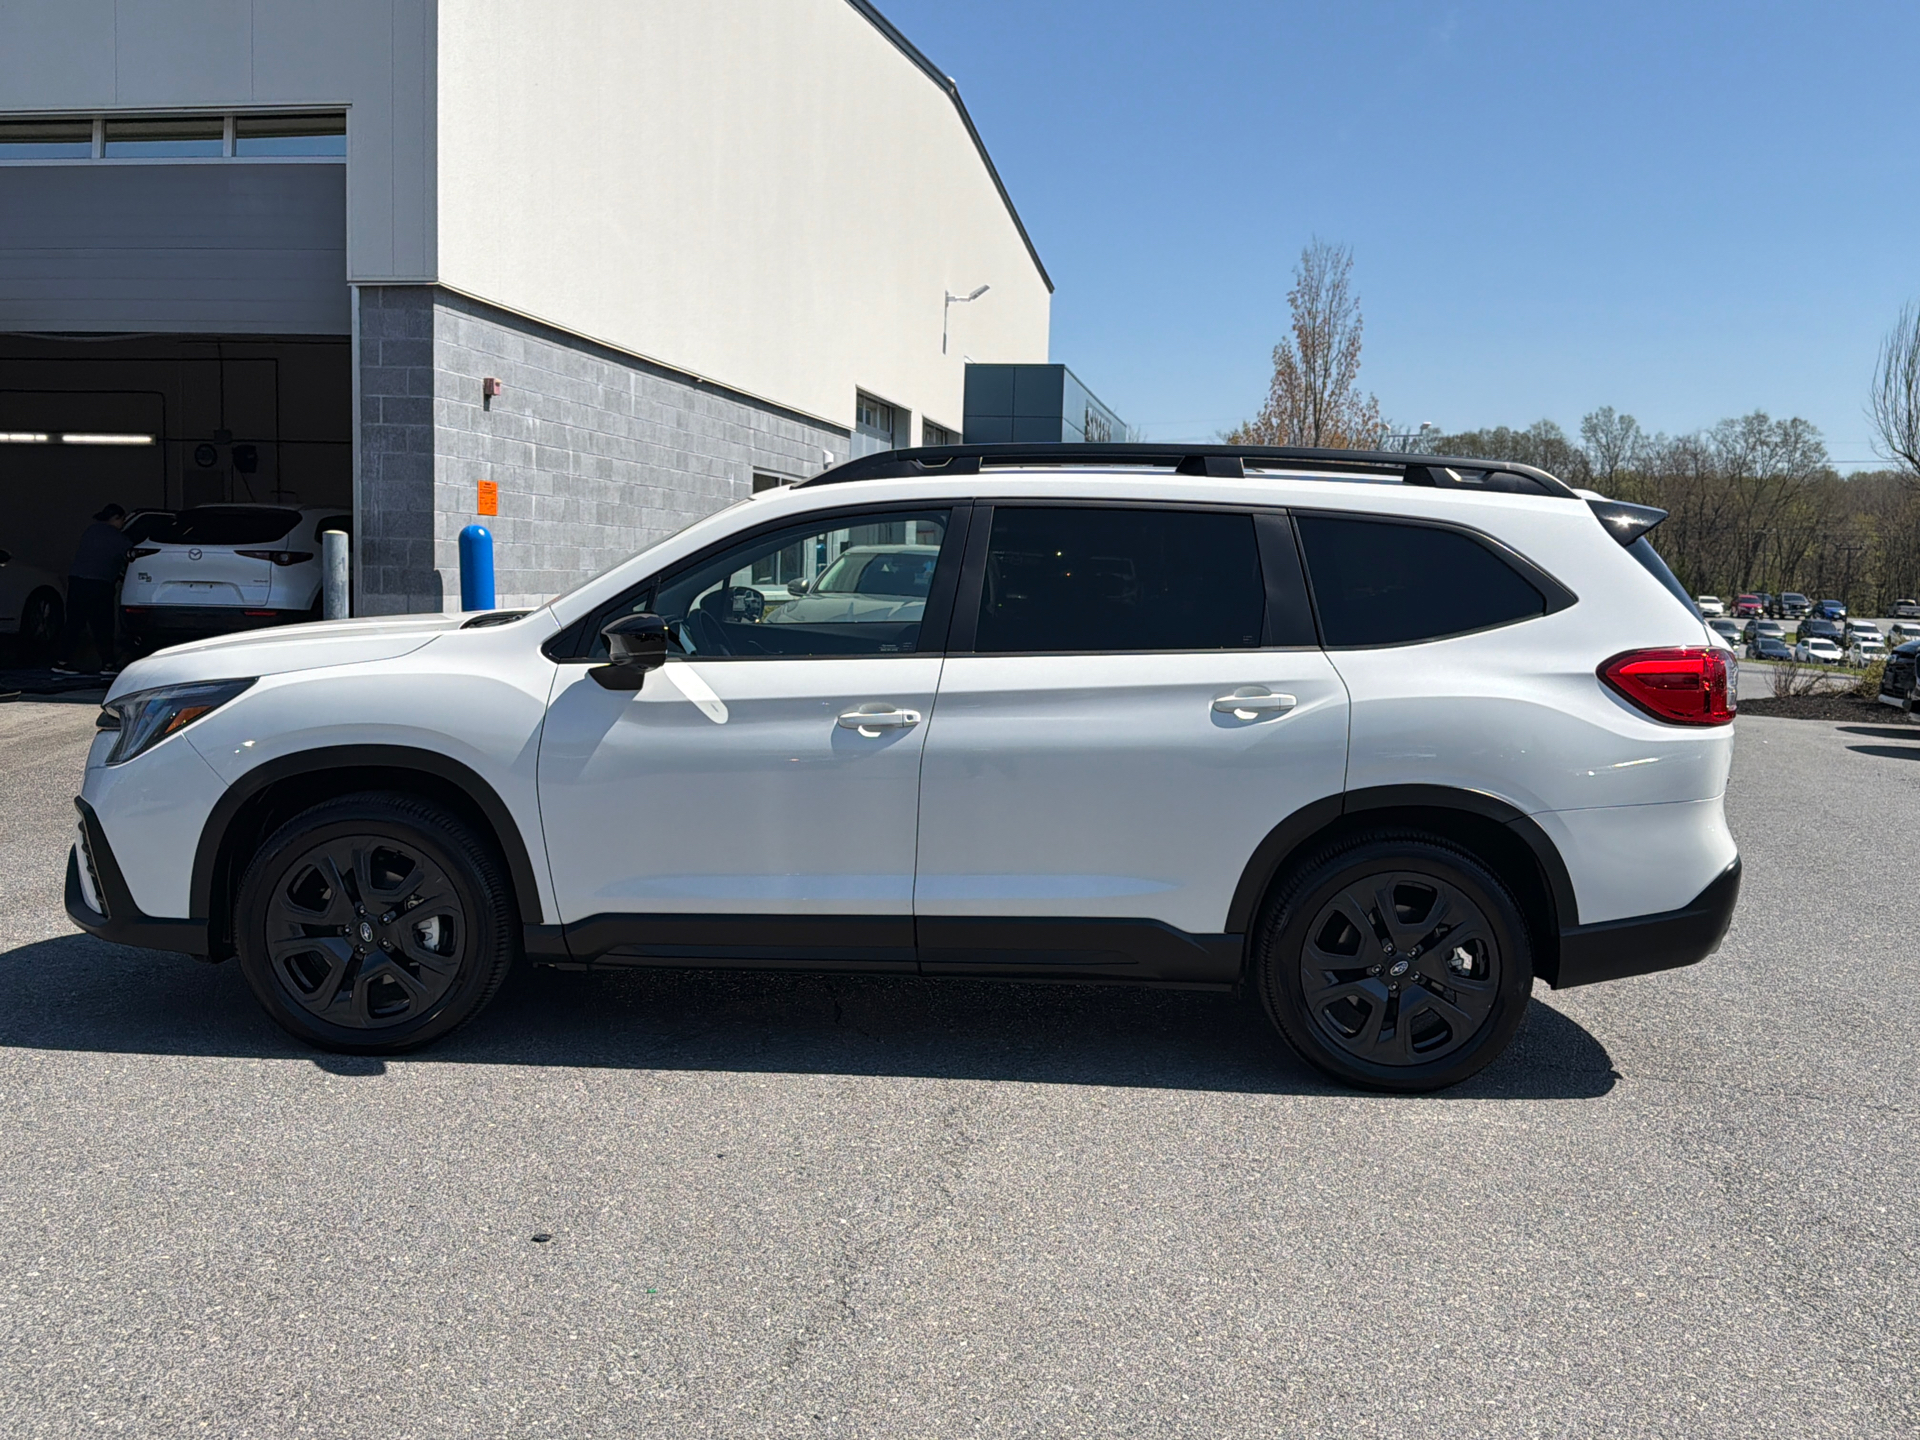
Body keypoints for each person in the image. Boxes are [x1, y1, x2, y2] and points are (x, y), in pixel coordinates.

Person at [52, 503, 132, 676]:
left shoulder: (91, 531)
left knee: (74, 623)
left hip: (77, 581)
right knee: (103, 625)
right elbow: (129, 555)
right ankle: (108, 664)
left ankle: (61, 661)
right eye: (122, 520)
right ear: (117, 518)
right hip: (100, 584)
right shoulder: (117, 537)